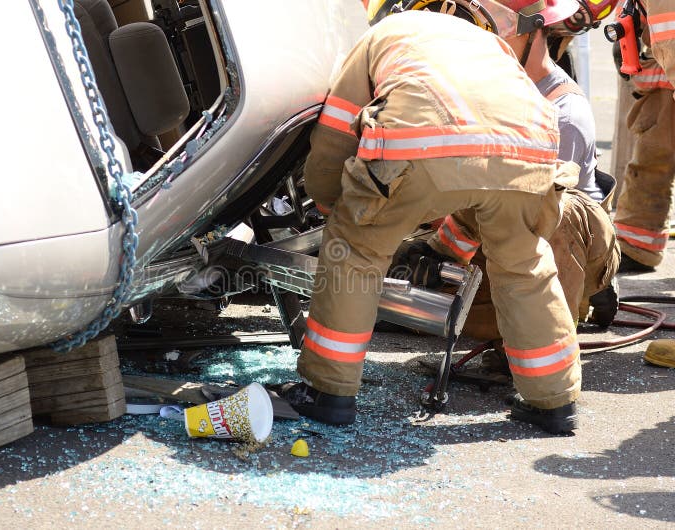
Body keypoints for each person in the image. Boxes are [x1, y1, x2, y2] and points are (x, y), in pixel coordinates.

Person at [278, 5, 583, 434]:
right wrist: (443, 247)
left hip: (422, 147)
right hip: (529, 155)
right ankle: (553, 402)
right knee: (523, 265)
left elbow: (333, 135)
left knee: (356, 251)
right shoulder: (490, 45)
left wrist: (336, 212)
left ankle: (327, 391)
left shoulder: (383, 36)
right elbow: (479, 171)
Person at [390, 0, 621, 374]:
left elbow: (532, 219)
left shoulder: (563, 113)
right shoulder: (484, 94)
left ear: (536, 32)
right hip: (490, 244)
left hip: (555, 252)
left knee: (552, 205)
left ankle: (540, 358)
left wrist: (445, 247)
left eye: (496, 28)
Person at [610, 0, 675, 272]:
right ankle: (637, 247)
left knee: (651, 161)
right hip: (658, 73)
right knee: (651, 160)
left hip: (663, 65)